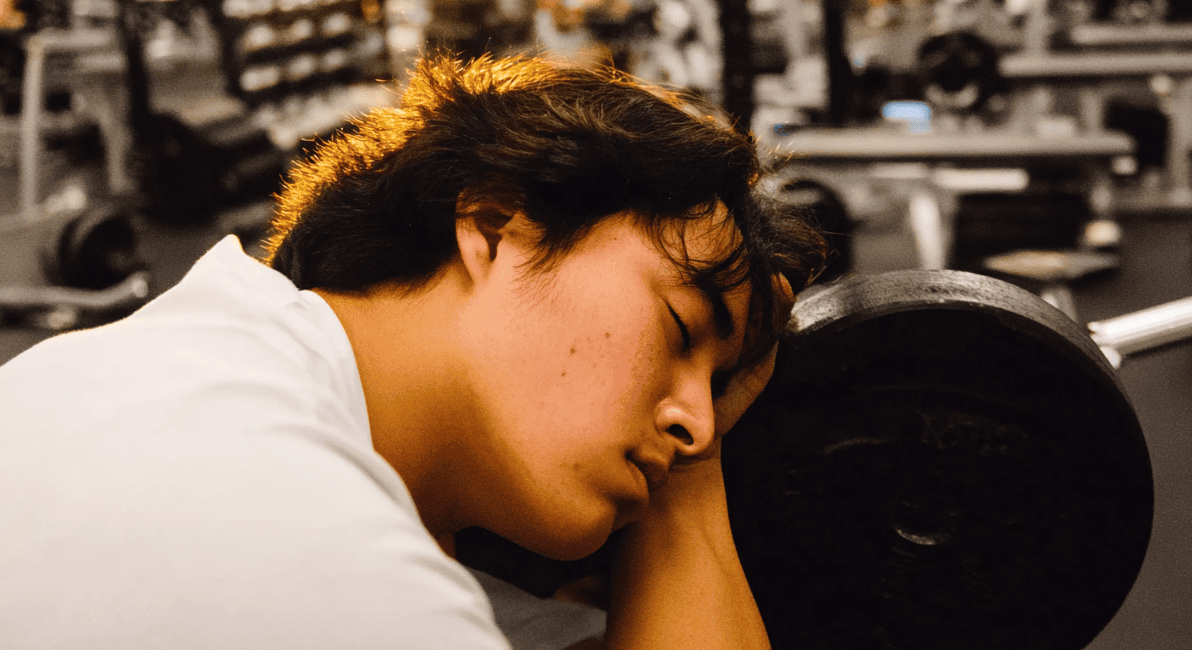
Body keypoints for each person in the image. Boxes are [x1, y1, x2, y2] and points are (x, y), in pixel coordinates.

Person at [0, 54, 828, 649]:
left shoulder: (180, 369)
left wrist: (686, 470)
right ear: (496, 225)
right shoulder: (319, 559)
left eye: (712, 384)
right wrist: (685, 504)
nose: (698, 426)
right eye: (679, 330)